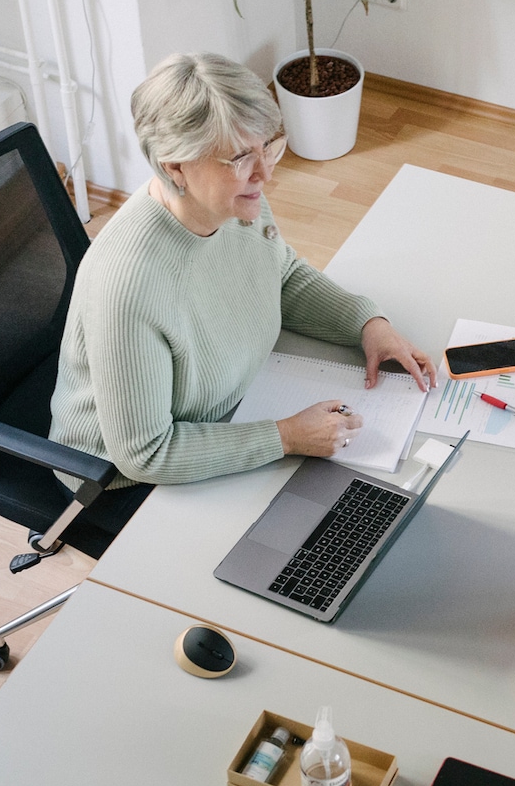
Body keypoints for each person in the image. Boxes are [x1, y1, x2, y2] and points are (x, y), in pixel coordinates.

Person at [48, 52, 434, 498]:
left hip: (236, 409)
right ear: (175, 166)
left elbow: (280, 275)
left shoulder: (234, 204)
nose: (266, 173)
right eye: (239, 158)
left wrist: (367, 324)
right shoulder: (128, 286)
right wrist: (287, 436)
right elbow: (146, 453)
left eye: (268, 147)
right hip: (130, 483)